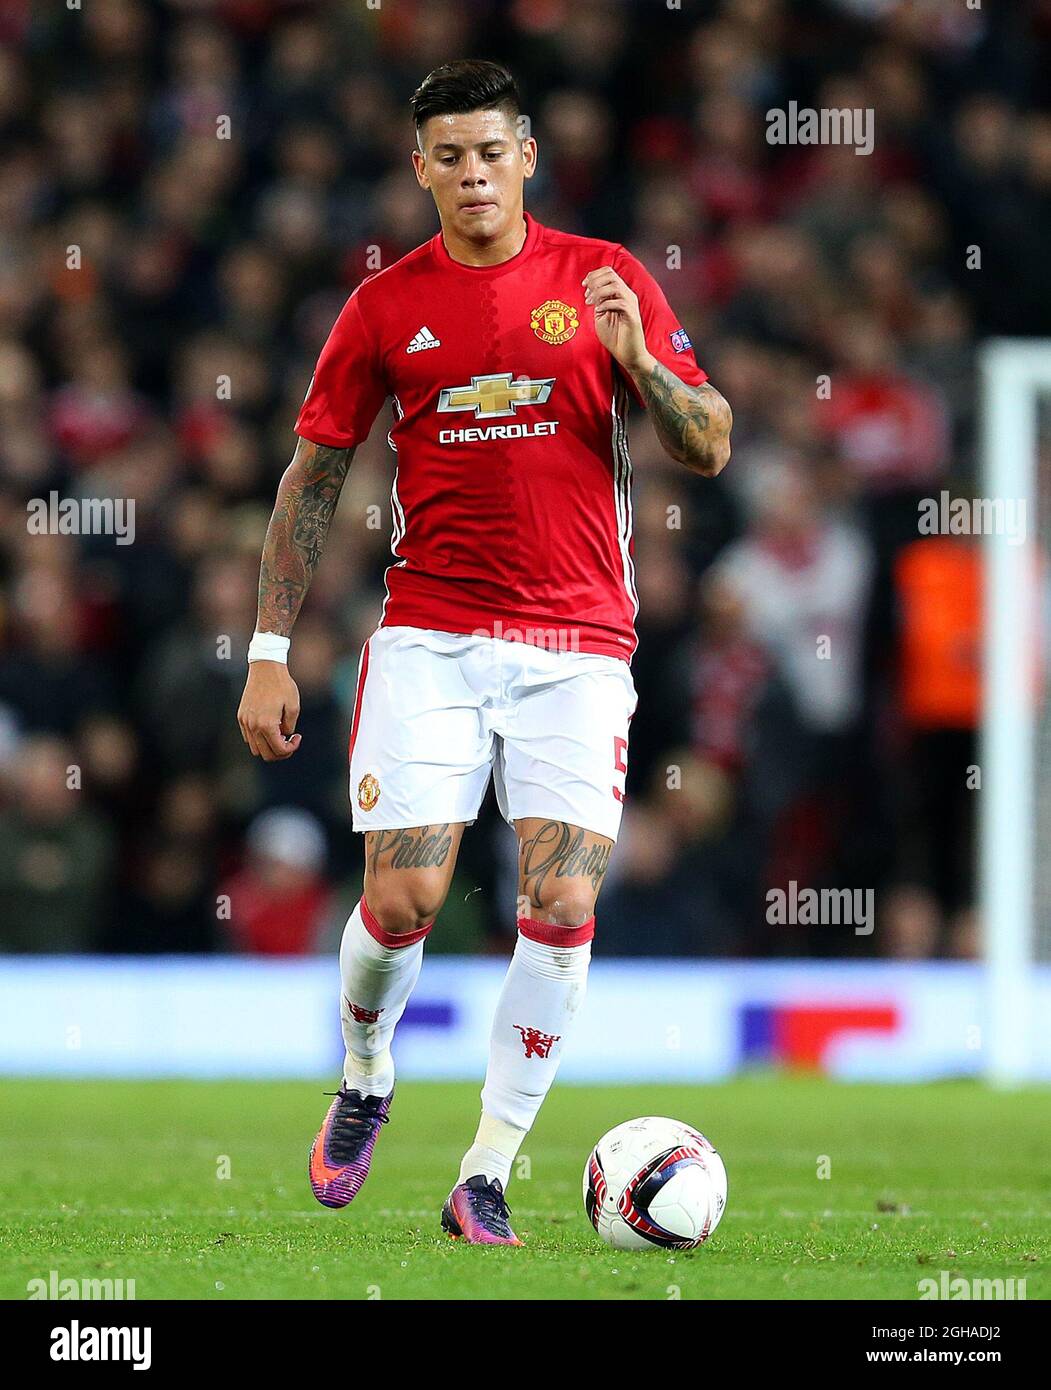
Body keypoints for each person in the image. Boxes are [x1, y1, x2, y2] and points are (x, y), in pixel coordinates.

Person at [236, 60, 732, 1245]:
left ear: (527, 158)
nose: (471, 174)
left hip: (579, 645)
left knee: (560, 901)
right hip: (432, 636)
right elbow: (314, 476)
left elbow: (708, 441)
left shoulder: (603, 278)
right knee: (401, 899)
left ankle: (486, 1172)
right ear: (421, 169)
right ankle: (365, 1074)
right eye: (448, 156)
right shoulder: (379, 308)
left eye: (490, 152)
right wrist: (265, 646)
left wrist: (643, 366)